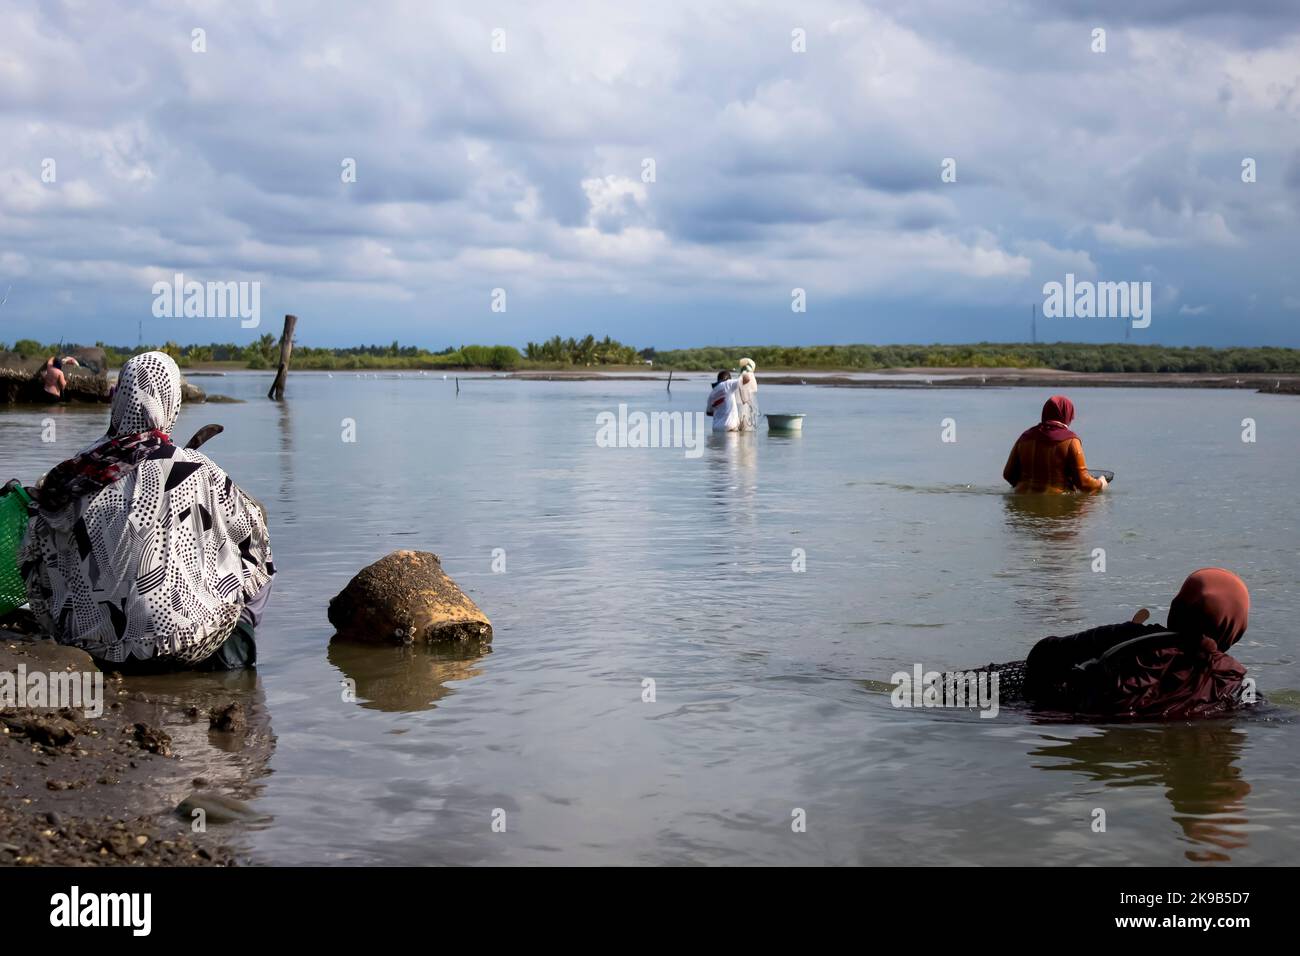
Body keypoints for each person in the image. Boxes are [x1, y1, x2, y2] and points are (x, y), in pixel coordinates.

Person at [19, 351, 274, 671]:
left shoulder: (74, 471)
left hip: (94, 648)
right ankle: (236, 649)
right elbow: (253, 540)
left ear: (121, 399)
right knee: (254, 540)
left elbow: (35, 552)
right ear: (171, 402)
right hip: (189, 645)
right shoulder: (197, 469)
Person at [1023, 569, 1251, 718]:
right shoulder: (1235, 682)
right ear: (1235, 627)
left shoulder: (1126, 636)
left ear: (1178, 605)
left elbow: (1043, 654)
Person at [1002, 394, 1106, 494]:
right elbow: (1083, 483)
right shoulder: (1071, 441)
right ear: (1067, 414)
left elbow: (1008, 474)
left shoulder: (1024, 437)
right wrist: (1101, 483)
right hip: (1056, 504)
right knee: (1089, 507)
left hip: (1022, 502)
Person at [704, 367, 755, 433]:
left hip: (716, 429)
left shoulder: (712, 393)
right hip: (729, 428)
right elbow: (747, 379)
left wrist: (721, 412)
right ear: (728, 379)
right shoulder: (728, 383)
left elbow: (708, 412)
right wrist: (744, 371)